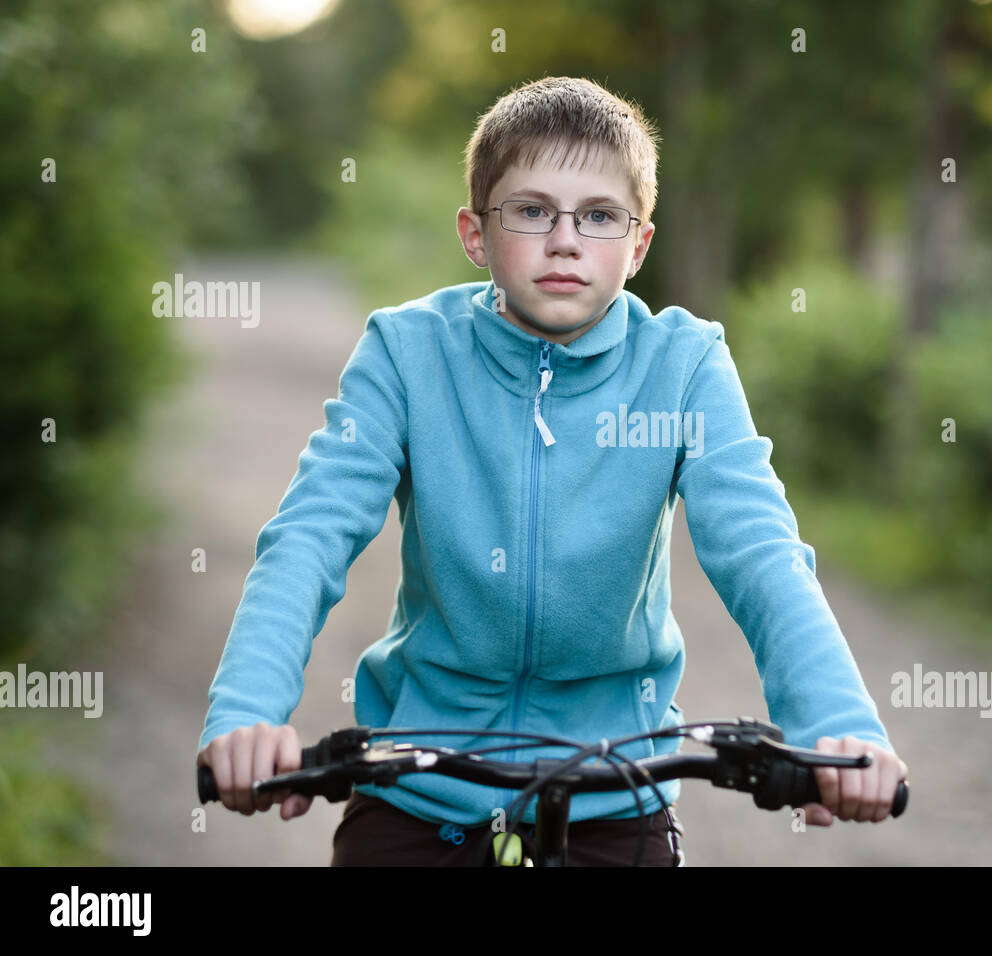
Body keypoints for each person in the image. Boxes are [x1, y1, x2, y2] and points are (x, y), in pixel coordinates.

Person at [196, 75, 908, 866]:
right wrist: (247, 714)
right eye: (531, 211)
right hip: (419, 793)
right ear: (475, 234)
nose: (565, 239)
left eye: (600, 216)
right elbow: (309, 537)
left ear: (638, 246)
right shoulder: (408, 351)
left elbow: (760, 552)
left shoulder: (684, 364)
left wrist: (836, 725)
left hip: (617, 790)